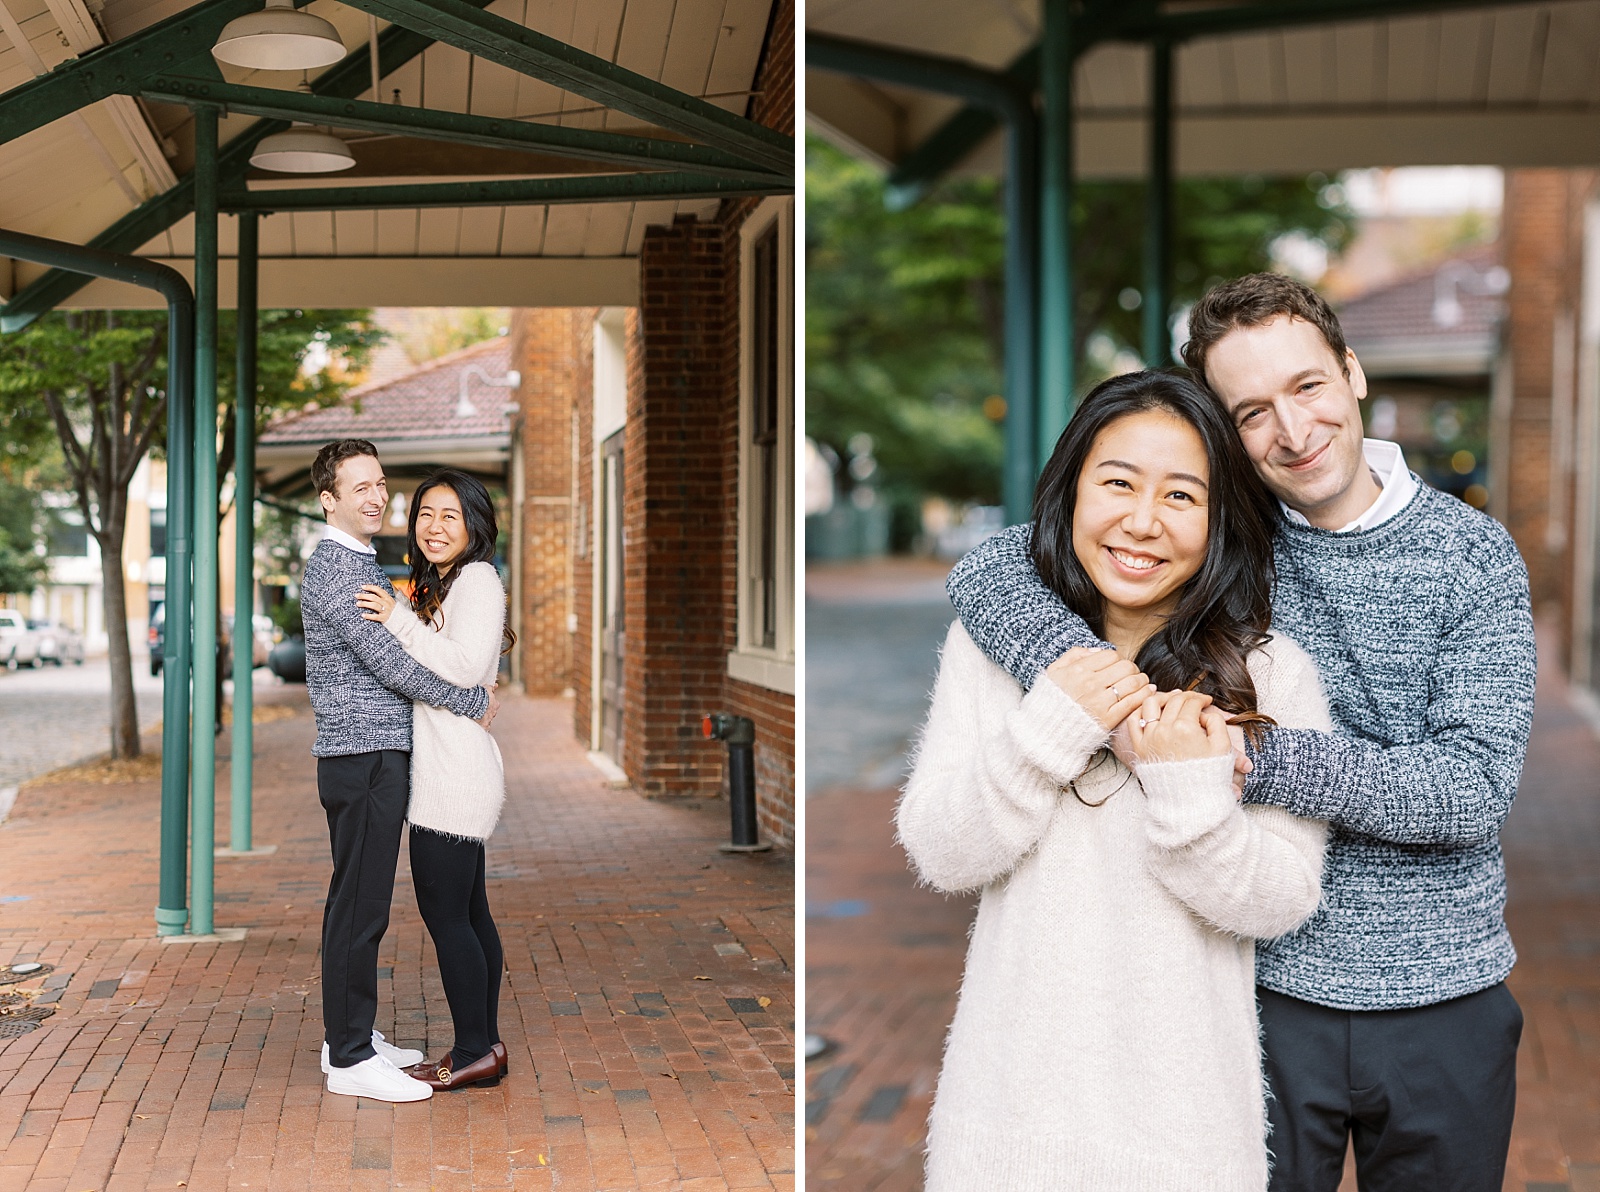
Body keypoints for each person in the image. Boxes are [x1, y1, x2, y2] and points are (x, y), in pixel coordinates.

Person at [946, 273, 1536, 1190]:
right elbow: (992, 569)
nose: (1293, 431)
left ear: (1352, 372)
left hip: (1441, 997)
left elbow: (1470, 790)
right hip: (1264, 996)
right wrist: (1109, 694)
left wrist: (1234, 750)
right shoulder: (1225, 539)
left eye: (1307, 388)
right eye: (1252, 411)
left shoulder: (1474, 554)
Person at [899, 369, 1331, 1190]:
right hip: (1005, 1122)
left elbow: (1280, 901)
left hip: (1187, 1133)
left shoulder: (1272, 675)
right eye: (1118, 483)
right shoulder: (992, 651)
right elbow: (940, 853)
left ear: (1220, 521)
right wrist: (1049, 731)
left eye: (1180, 497)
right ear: (1070, 491)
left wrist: (1192, 797)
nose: (1141, 521)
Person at [300, 439, 498, 1103]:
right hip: (363, 758)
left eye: (380, 483)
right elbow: (394, 664)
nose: (376, 496)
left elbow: (405, 650)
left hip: (375, 755)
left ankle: (349, 1035)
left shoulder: (363, 563)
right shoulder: (338, 569)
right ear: (328, 499)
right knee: (359, 909)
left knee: (361, 906)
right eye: (359, 487)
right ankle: (352, 1058)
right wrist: (472, 701)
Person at [354, 468, 512, 1092]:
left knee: (447, 917)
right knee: (470, 914)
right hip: (455, 766)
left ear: (473, 524)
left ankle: (472, 1049)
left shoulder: (475, 579)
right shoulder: (445, 585)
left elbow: (468, 668)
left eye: (449, 515)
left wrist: (396, 617)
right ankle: (487, 1043)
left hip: (453, 776)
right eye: (424, 515)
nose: (434, 527)